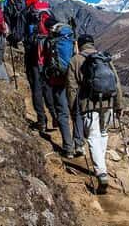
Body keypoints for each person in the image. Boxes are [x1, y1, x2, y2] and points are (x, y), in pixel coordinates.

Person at [67, 34, 123, 194]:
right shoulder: (104, 58)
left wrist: (73, 108)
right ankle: (101, 165)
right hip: (108, 104)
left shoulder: (75, 60)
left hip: (88, 106)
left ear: (81, 45)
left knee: (92, 137)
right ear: (92, 44)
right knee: (103, 134)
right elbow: (117, 83)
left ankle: (101, 173)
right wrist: (119, 105)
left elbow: (71, 88)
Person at [45, 22, 83, 159]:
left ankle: (68, 148)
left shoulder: (51, 42)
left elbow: (46, 61)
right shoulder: (73, 41)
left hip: (58, 82)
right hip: (73, 82)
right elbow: (78, 58)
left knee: (63, 114)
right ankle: (79, 144)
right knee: (77, 112)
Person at [22, 0, 57, 133]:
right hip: (48, 54)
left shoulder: (28, 13)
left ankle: (42, 121)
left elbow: (21, 34)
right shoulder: (48, 10)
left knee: (36, 88)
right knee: (48, 86)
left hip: (34, 56)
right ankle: (55, 116)